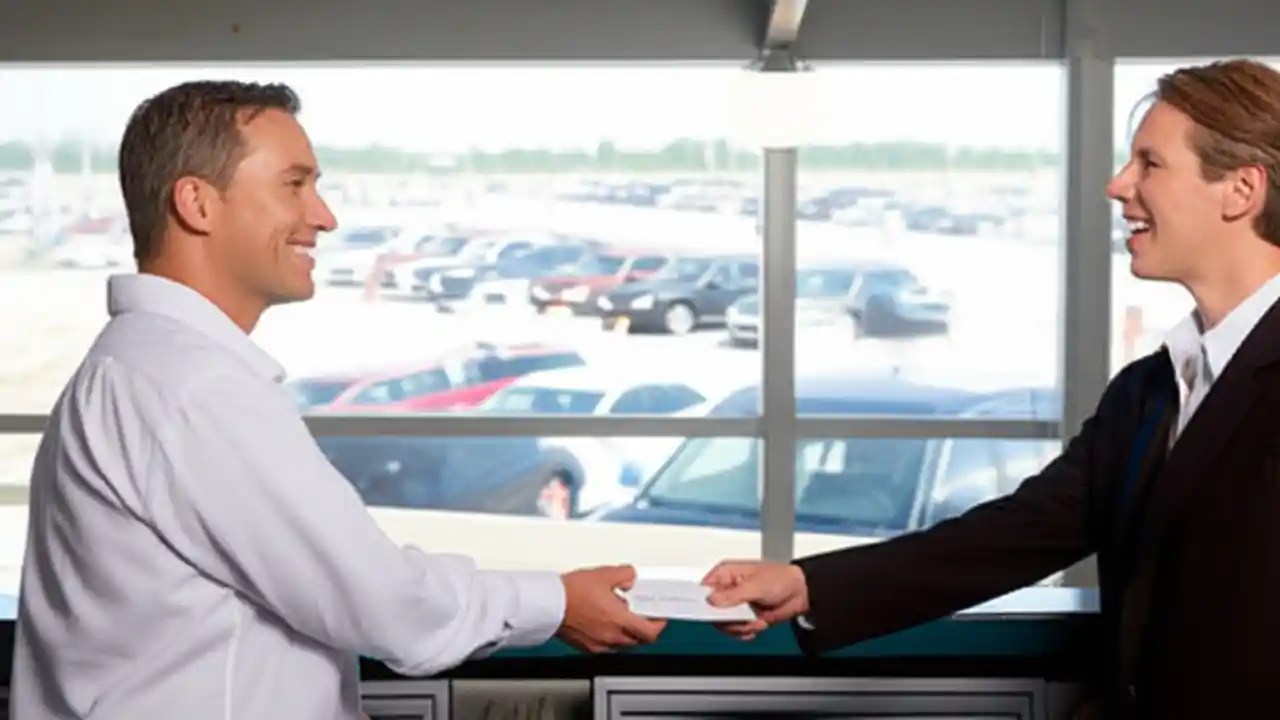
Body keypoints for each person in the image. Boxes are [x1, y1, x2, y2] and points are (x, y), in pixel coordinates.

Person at [8, 80, 665, 720]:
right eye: (294, 184)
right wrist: (555, 602)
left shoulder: (135, 365)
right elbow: (385, 603)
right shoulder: (196, 390)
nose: (324, 216)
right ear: (198, 204)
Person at [702, 58, 1280, 719]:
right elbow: (1018, 534)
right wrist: (808, 583)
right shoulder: (1149, 389)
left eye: (1150, 163)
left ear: (1240, 189)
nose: (1117, 185)